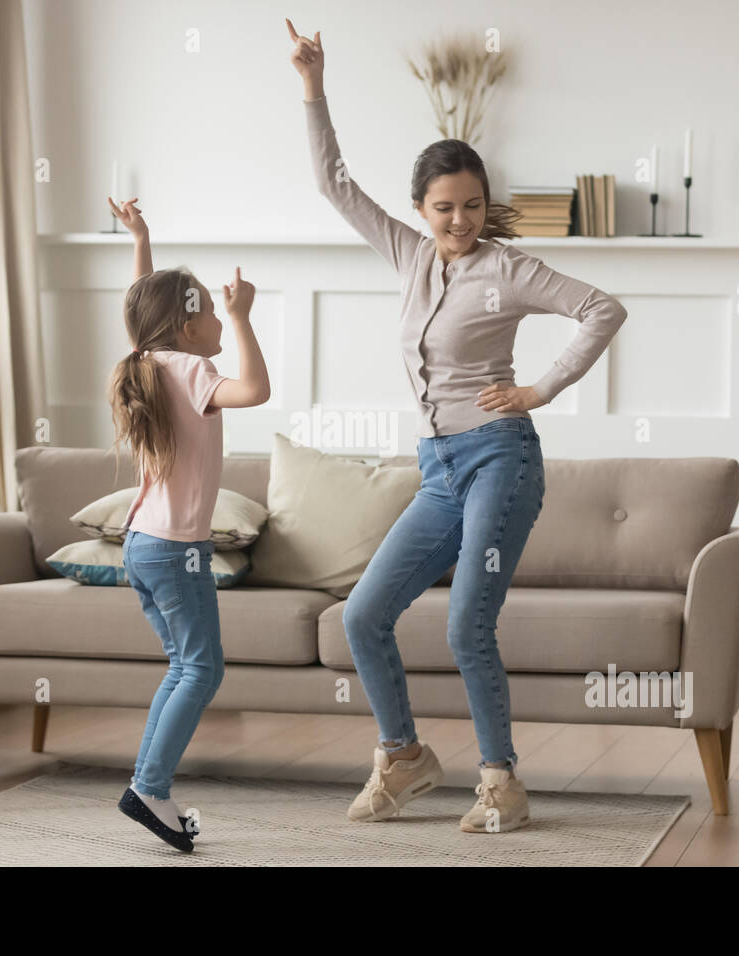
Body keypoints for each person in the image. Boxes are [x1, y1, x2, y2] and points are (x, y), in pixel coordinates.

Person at [286, 20, 628, 833]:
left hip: (501, 462)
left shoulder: (507, 269)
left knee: (465, 618)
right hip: (437, 470)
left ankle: (502, 781)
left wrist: (540, 388)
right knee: (364, 614)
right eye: (445, 208)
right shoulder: (407, 255)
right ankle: (402, 755)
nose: (461, 220)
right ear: (420, 208)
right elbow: (334, 184)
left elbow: (601, 309)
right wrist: (312, 87)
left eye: (473, 206)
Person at [105, 195, 271, 851]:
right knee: (202, 670)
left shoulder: (148, 363)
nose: (218, 308)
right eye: (208, 304)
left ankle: (148, 787)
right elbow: (255, 389)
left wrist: (141, 239)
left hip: (142, 546)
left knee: (184, 666)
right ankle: (150, 787)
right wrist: (245, 317)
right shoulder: (194, 370)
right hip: (179, 551)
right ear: (188, 324)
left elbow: (142, 309)